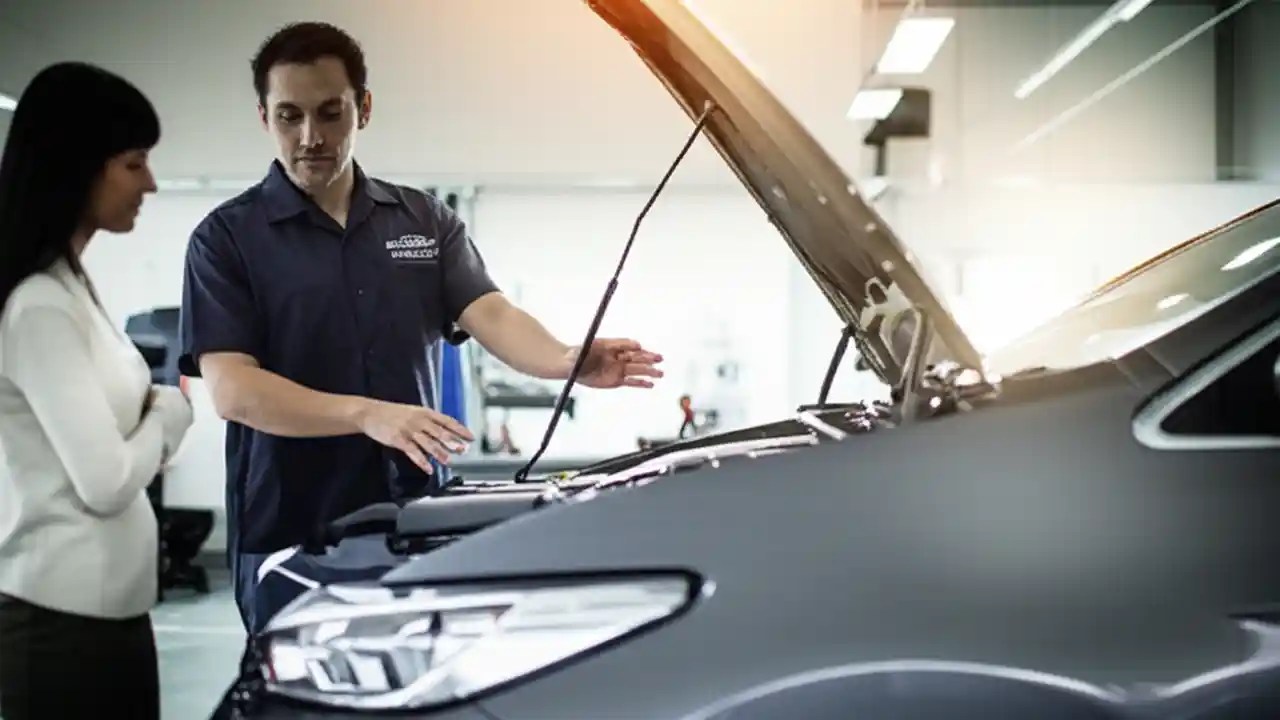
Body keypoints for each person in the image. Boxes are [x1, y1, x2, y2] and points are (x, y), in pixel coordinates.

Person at [178, 21, 665, 634]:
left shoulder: (423, 221)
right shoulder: (226, 239)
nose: (310, 137)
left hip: (411, 515)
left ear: (364, 108)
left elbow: (492, 313)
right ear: (263, 117)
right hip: (289, 529)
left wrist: (565, 359)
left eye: (330, 113)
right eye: (289, 116)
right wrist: (366, 414)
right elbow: (234, 391)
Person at [0, 62, 194, 720]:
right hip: (61, 628)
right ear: (77, 167)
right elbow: (106, 482)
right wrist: (169, 415)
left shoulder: (71, 288)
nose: (150, 183)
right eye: (134, 164)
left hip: (109, 615)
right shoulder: (39, 305)